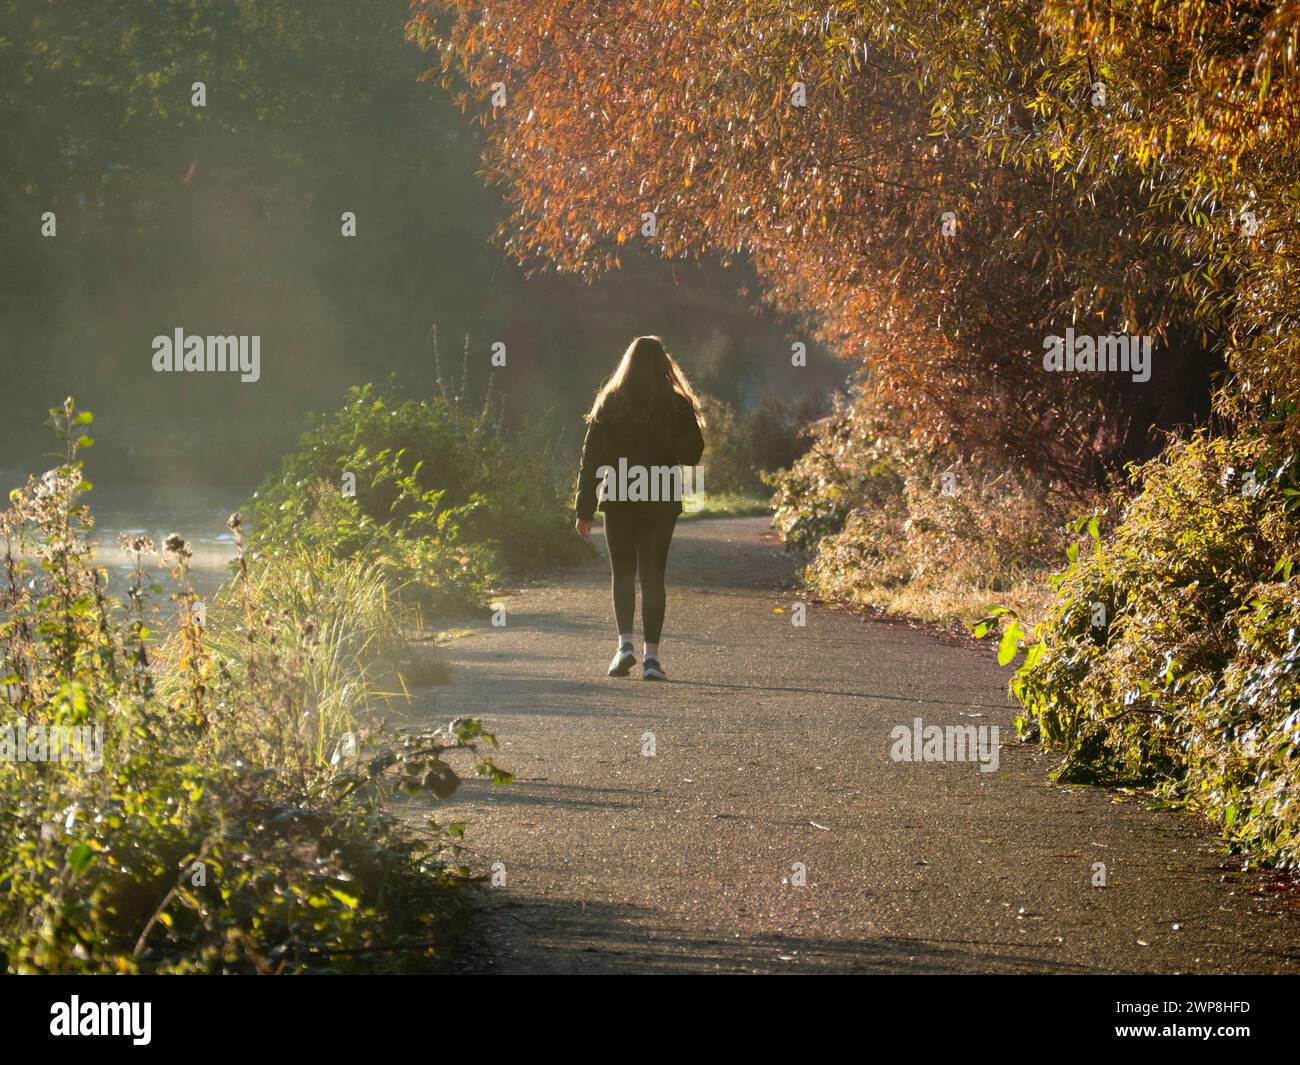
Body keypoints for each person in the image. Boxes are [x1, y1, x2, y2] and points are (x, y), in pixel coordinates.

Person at [575, 336, 705, 680]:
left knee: (622, 573)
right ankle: (652, 659)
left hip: (619, 495)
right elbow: (693, 455)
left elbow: (591, 460)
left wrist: (584, 509)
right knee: (653, 576)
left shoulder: (610, 402)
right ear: (664, 364)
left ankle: (624, 647)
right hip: (660, 496)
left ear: (627, 363)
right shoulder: (677, 405)